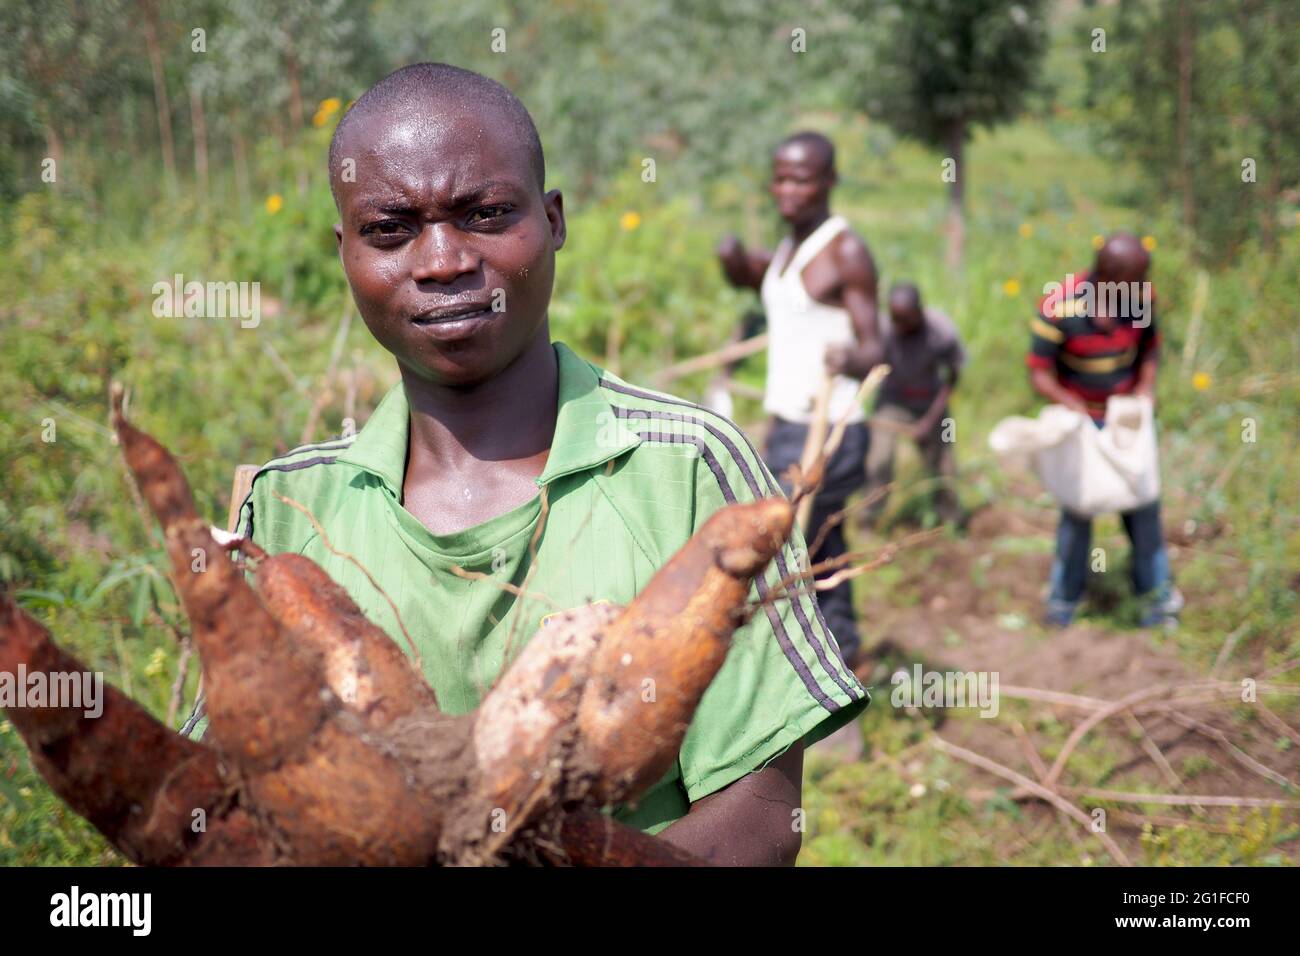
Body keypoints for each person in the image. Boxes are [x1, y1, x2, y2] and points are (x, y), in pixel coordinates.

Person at [184, 64, 867, 866]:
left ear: (552, 221)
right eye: (390, 230)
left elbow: (761, 812)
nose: (441, 261)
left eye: (485, 214)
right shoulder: (291, 504)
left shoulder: (690, 470)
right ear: (346, 254)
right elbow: (235, 793)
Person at [717, 131, 882, 668]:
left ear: (829, 182)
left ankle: (828, 671)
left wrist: (847, 359)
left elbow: (879, 349)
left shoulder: (845, 250)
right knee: (815, 550)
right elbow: (757, 278)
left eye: (801, 179)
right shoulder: (789, 247)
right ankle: (832, 666)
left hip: (830, 429)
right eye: (780, 178)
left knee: (800, 553)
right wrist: (733, 259)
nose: (787, 189)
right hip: (788, 426)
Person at [1027, 232, 1183, 629]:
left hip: (1124, 419)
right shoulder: (1059, 305)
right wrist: (1069, 402)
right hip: (1081, 423)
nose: (1143, 287)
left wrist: (1145, 389)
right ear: (1108, 277)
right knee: (1079, 510)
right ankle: (1063, 602)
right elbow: (1039, 373)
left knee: (1143, 505)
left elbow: (1150, 349)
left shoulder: (1141, 302)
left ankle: (1156, 599)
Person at [862, 282, 964, 527]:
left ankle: (951, 518)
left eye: (905, 319)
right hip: (892, 403)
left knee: (945, 460)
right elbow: (866, 369)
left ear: (919, 311)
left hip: (934, 406)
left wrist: (930, 421)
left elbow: (952, 378)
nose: (899, 326)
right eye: (895, 318)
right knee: (879, 459)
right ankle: (869, 518)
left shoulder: (941, 332)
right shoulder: (882, 329)